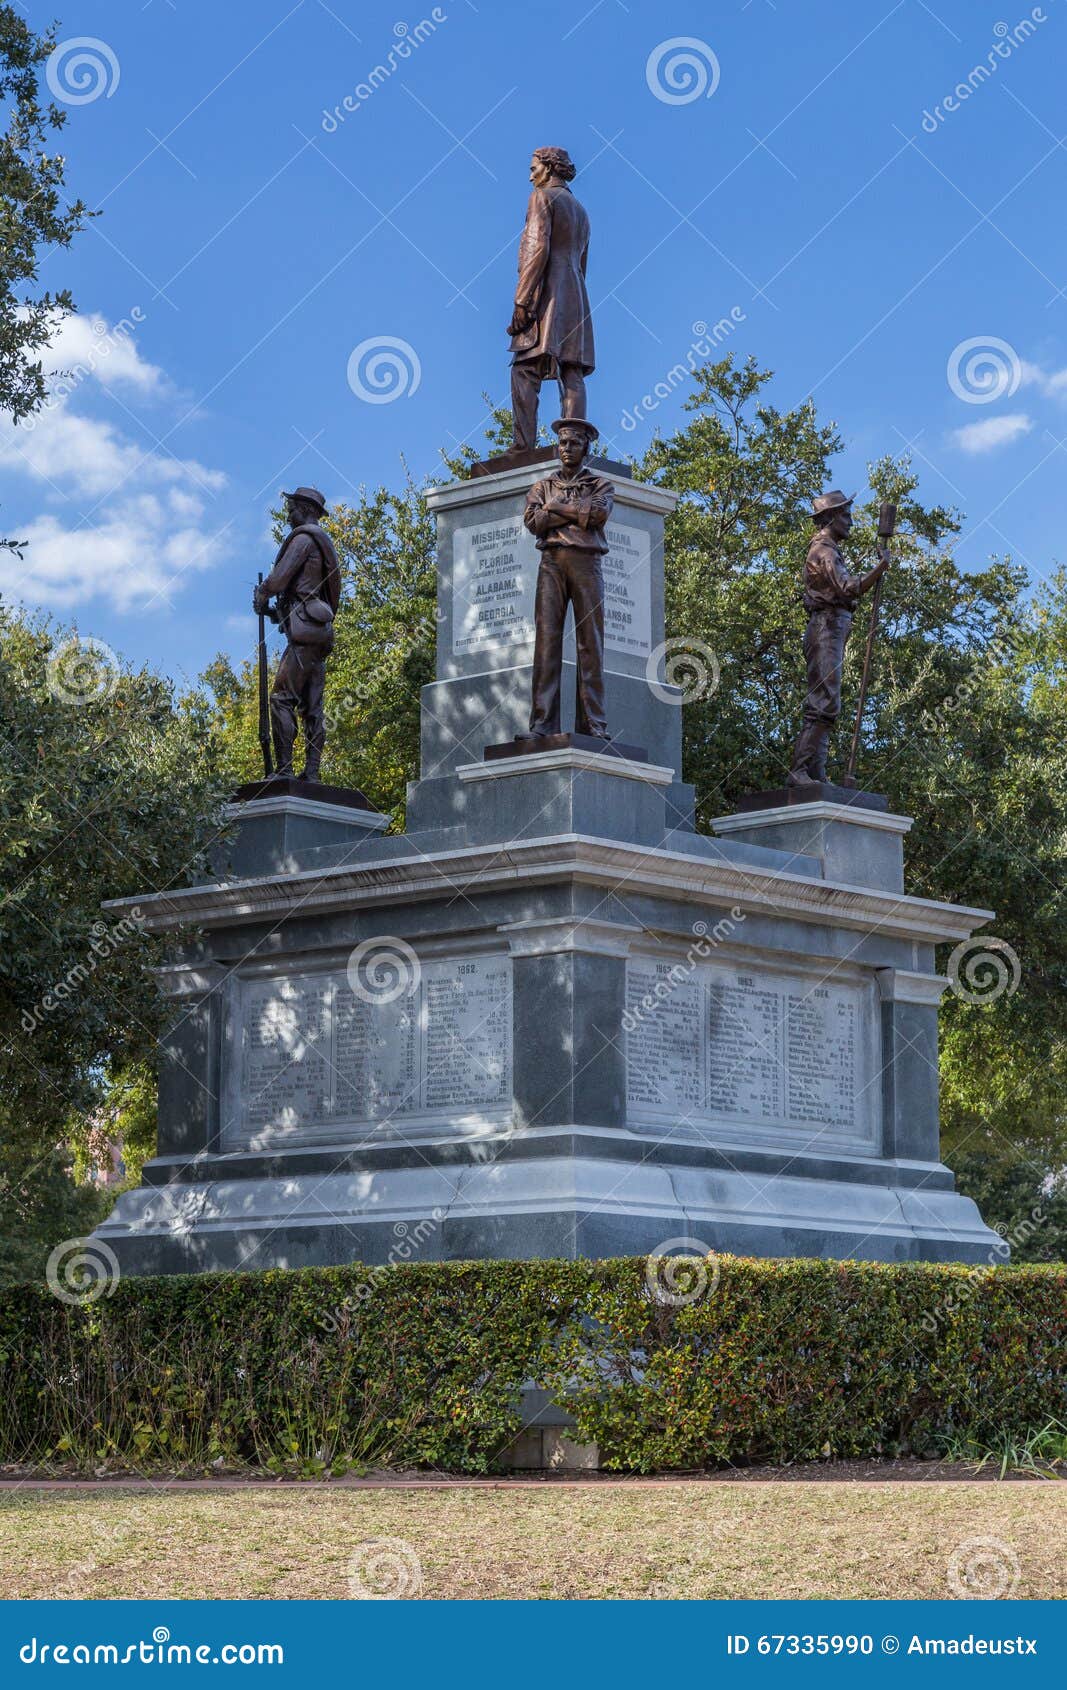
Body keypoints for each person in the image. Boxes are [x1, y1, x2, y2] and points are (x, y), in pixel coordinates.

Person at [789, 489, 889, 787]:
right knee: (824, 701)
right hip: (826, 628)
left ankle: (815, 773)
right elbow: (849, 588)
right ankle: (800, 771)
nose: (851, 522)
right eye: (846, 516)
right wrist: (880, 567)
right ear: (831, 517)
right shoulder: (824, 552)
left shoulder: (829, 551)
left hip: (832, 628)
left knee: (829, 703)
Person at [524, 418, 613, 739]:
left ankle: (593, 724)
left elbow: (598, 515)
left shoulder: (600, 485)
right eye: (562, 443)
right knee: (546, 642)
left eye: (574, 443)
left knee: (591, 644)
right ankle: (542, 724)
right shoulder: (541, 486)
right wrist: (575, 510)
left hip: (587, 563)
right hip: (551, 564)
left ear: (585, 447)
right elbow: (534, 522)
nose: (566, 449)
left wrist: (556, 508)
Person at [508, 146, 594, 452]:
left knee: (524, 368)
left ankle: (522, 447)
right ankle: (574, 445)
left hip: (548, 293)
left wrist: (523, 299)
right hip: (576, 293)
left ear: (550, 168)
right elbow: (583, 263)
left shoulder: (542, 198)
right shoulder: (581, 211)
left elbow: (536, 249)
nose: (531, 175)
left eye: (534, 168)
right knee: (571, 370)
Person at [253, 486, 341, 782]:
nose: (288, 514)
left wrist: (262, 593)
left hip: (304, 635)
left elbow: (280, 580)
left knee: (281, 698)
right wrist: (272, 612)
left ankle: (285, 771)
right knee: (312, 706)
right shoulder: (321, 543)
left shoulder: (303, 539)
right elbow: (306, 593)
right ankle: (312, 773)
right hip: (318, 633)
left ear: (305, 510)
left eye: (291, 508)